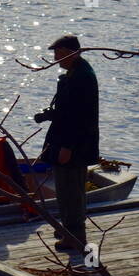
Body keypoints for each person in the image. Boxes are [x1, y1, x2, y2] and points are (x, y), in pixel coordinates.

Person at [34, 35, 99, 252]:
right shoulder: (75, 73)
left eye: (59, 54)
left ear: (73, 52)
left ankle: (75, 236)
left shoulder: (82, 78)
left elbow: (79, 118)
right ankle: (69, 229)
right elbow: (67, 110)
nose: (55, 58)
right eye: (55, 54)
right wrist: (48, 115)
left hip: (73, 145)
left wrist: (67, 147)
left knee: (70, 190)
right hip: (68, 140)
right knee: (66, 188)